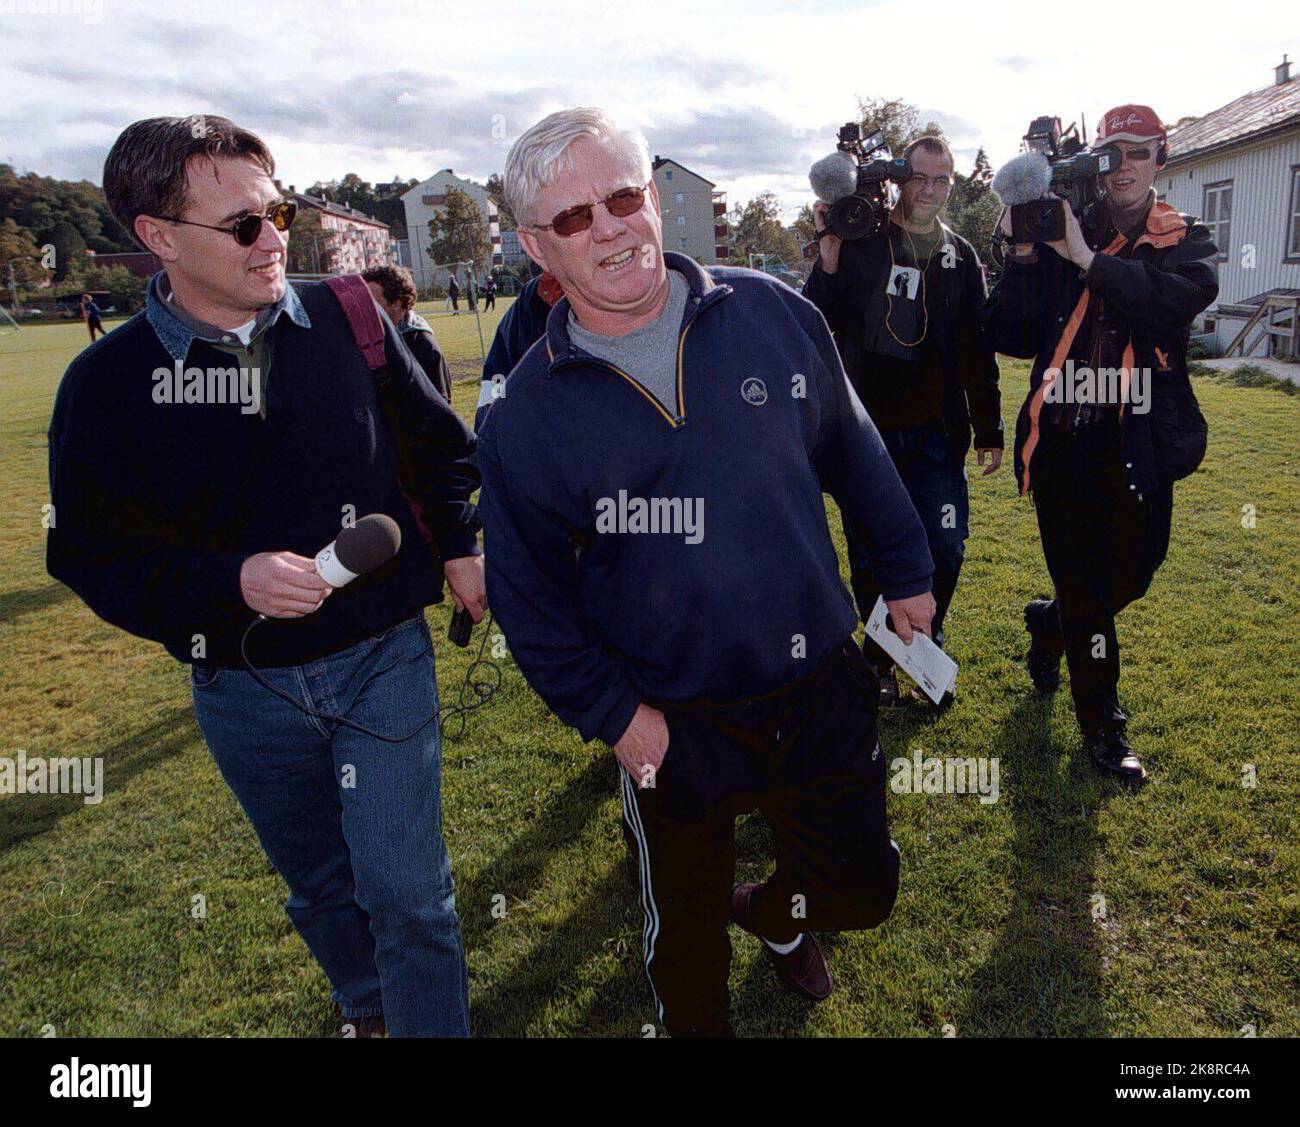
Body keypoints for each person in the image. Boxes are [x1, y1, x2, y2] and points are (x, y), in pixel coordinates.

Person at [478, 107, 935, 1037]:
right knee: (687, 960)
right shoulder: (522, 416)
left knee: (862, 888)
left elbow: (856, 453)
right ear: (538, 245)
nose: (606, 227)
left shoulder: (774, 313)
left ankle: (774, 913)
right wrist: (620, 722)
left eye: (619, 197)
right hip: (672, 718)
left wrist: (907, 571)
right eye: (573, 218)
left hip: (819, 684)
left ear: (651, 198)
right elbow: (530, 607)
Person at [46, 115, 486, 1036]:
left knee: (409, 894)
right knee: (323, 885)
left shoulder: (347, 314)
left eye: (276, 210)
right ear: (158, 237)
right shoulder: (104, 386)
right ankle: (365, 1006)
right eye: (244, 224)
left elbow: (439, 446)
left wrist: (459, 546)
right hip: (245, 689)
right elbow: (91, 554)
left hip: (383, 661)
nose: (276, 237)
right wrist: (228, 581)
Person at [985, 104, 1218, 785]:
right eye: (1110, 153)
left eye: (1137, 152)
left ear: (1161, 158)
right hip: (1065, 441)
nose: (1121, 167)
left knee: (1134, 574)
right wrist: (1026, 254)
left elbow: (1174, 302)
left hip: (1138, 437)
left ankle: (1049, 623)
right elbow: (1011, 333)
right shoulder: (1062, 227)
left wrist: (1086, 259)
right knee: (1089, 591)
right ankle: (1104, 725)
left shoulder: (1182, 238)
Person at [803, 135, 1003, 708]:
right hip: (867, 431)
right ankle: (879, 662)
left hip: (937, 433)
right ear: (899, 179)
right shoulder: (864, 237)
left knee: (945, 546)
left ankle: (922, 645)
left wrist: (988, 429)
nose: (931, 190)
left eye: (943, 180)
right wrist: (831, 254)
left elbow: (976, 349)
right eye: (920, 178)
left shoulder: (960, 256)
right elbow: (818, 316)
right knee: (871, 551)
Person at [363, 264, 453, 400]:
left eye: (374, 303)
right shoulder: (366, 338)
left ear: (396, 303)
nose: (366, 309)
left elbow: (440, 404)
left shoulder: (423, 344)